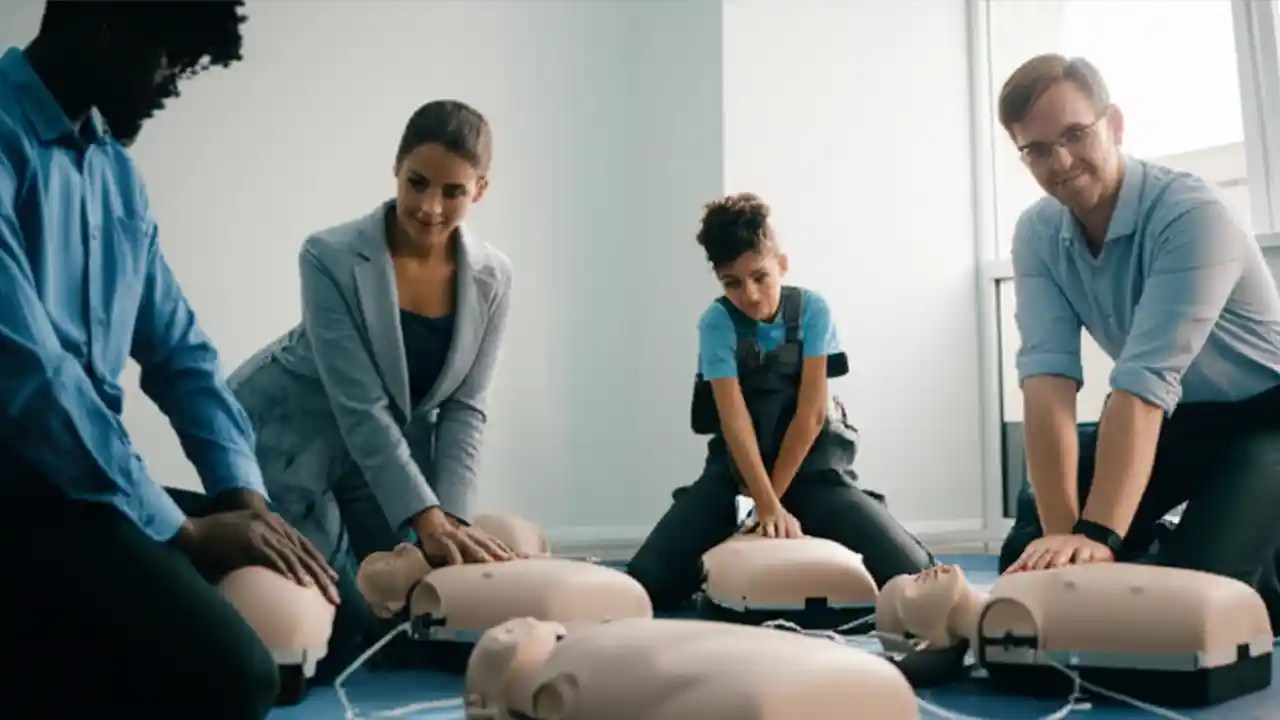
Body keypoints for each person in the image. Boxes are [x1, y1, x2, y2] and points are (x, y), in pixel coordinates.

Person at [0, 2, 340, 718]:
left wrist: (241, 498)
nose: (171, 84)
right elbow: (34, 382)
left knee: (325, 606)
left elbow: (181, 351)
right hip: (21, 495)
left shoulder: (117, 174)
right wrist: (180, 530)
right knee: (237, 677)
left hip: (86, 492)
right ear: (107, 24)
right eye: (169, 59)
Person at [227, 99, 518, 675]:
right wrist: (425, 519)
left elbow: (465, 409)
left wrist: (451, 524)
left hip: (380, 452)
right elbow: (359, 403)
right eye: (418, 183)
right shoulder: (328, 254)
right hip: (288, 429)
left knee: (409, 620)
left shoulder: (494, 277)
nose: (431, 207)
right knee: (335, 639)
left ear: (480, 190)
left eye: (453, 191)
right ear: (396, 167)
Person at [994, 54, 1280, 629]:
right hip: (1181, 421)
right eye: (1038, 149)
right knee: (1022, 557)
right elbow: (1047, 381)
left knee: (1196, 598)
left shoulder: (1193, 214)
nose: (1062, 161)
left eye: (1075, 134)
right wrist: (1060, 542)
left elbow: (1144, 382)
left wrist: (1097, 535)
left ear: (1115, 124)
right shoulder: (1037, 231)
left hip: (1265, 415)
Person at [626, 192, 935, 611]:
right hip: (736, 478)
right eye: (732, 283)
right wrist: (760, 505)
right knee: (646, 582)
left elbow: (810, 416)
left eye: (760, 276)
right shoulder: (716, 323)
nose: (750, 295)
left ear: (781, 265)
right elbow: (734, 422)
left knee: (914, 571)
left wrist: (773, 507)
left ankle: (832, 518)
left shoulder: (813, 310)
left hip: (813, 473)